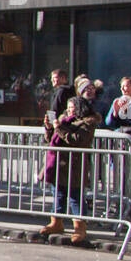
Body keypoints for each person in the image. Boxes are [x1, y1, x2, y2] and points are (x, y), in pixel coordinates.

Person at [40, 96, 99, 245]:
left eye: (72, 107)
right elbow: (51, 139)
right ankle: (56, 222)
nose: (69, 110)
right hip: (59, 164)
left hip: (75, 165)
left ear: (80, 108)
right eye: (68, 107)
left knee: (75, 197)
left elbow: (76, 139)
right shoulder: (63, 119)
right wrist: (49, 128)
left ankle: (80, 227)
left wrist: (59, 128)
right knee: (58, 194)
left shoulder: (87, 123)